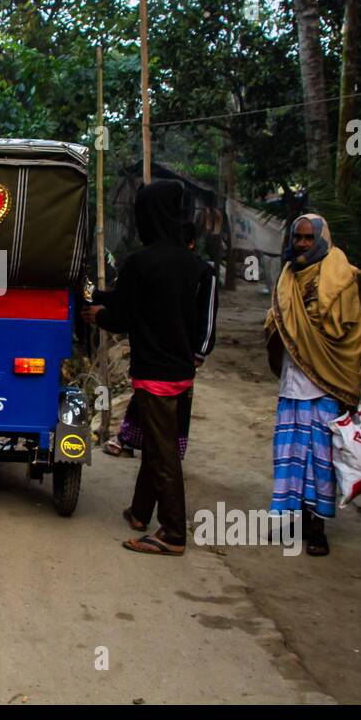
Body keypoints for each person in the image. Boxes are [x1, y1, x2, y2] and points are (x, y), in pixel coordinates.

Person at [82, 181, 218, 556]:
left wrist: (98, 313)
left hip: (154, 373)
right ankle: (140, 513)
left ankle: (173, 533)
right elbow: (134, 302)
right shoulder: (198, 268)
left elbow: (123, 313)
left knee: (162, 454)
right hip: (180, 373)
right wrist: (99, 299)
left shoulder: (141, 262)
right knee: (158, 443)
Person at [264, 213, 361, 556]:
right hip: (292, 386)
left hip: (325, 386)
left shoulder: (340, 276)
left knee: (318, 461)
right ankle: (293, 523)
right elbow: (276, 319)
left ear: (322, 237)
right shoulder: (288, 276)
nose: (303, 244)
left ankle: (318, 529)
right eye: (298, 238)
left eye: (308, 238)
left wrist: (305, 324)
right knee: (290, 457)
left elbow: (344, 330)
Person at [102, 221, 199, 462]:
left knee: (169, 409)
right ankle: (134, 441)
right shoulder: (157, 268)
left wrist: (200, 351)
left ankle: (168, 452)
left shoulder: (197, 274)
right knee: (146, 402)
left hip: (176, 360)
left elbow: (203, 318)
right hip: (156, 357)